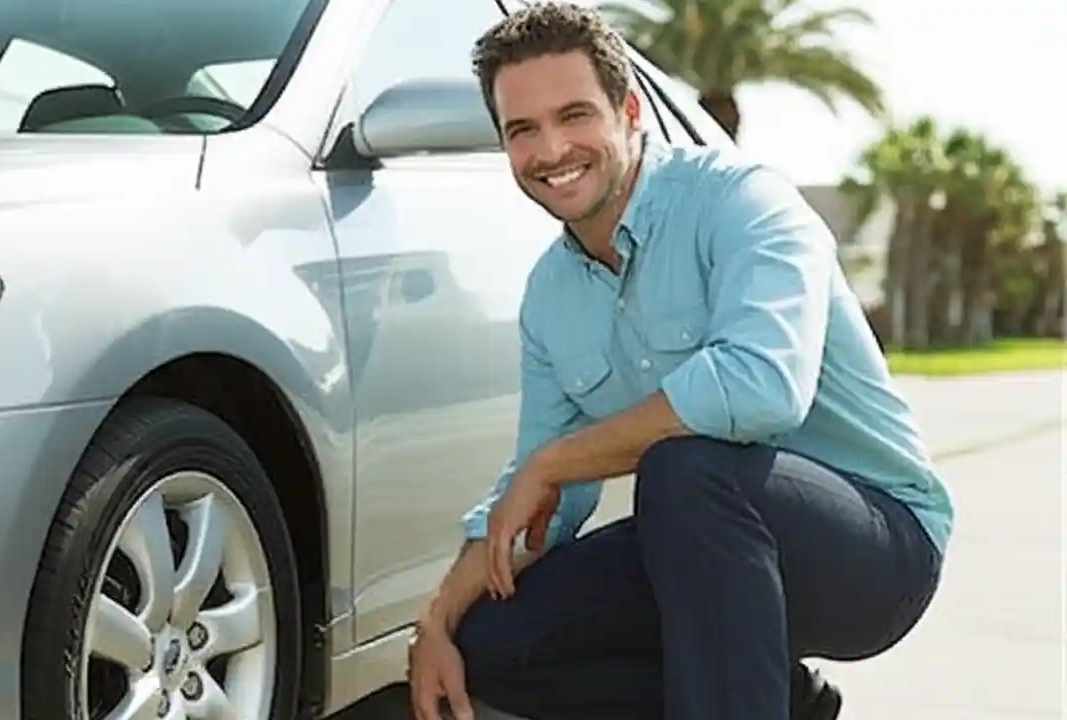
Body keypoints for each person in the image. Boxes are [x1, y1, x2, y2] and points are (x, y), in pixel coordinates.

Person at [404, 3, 952, 720]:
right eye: (523, 130)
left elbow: (761, 389)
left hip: (877, 549)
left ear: (630, 111)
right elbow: (540, 492)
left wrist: (555, 462)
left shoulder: (743, 200)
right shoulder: (550, 292)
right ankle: (785, 703)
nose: (552, 149)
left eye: (575, 115)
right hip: (707, 538)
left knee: (684, 467)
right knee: (495, 640)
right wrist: (437, 621)